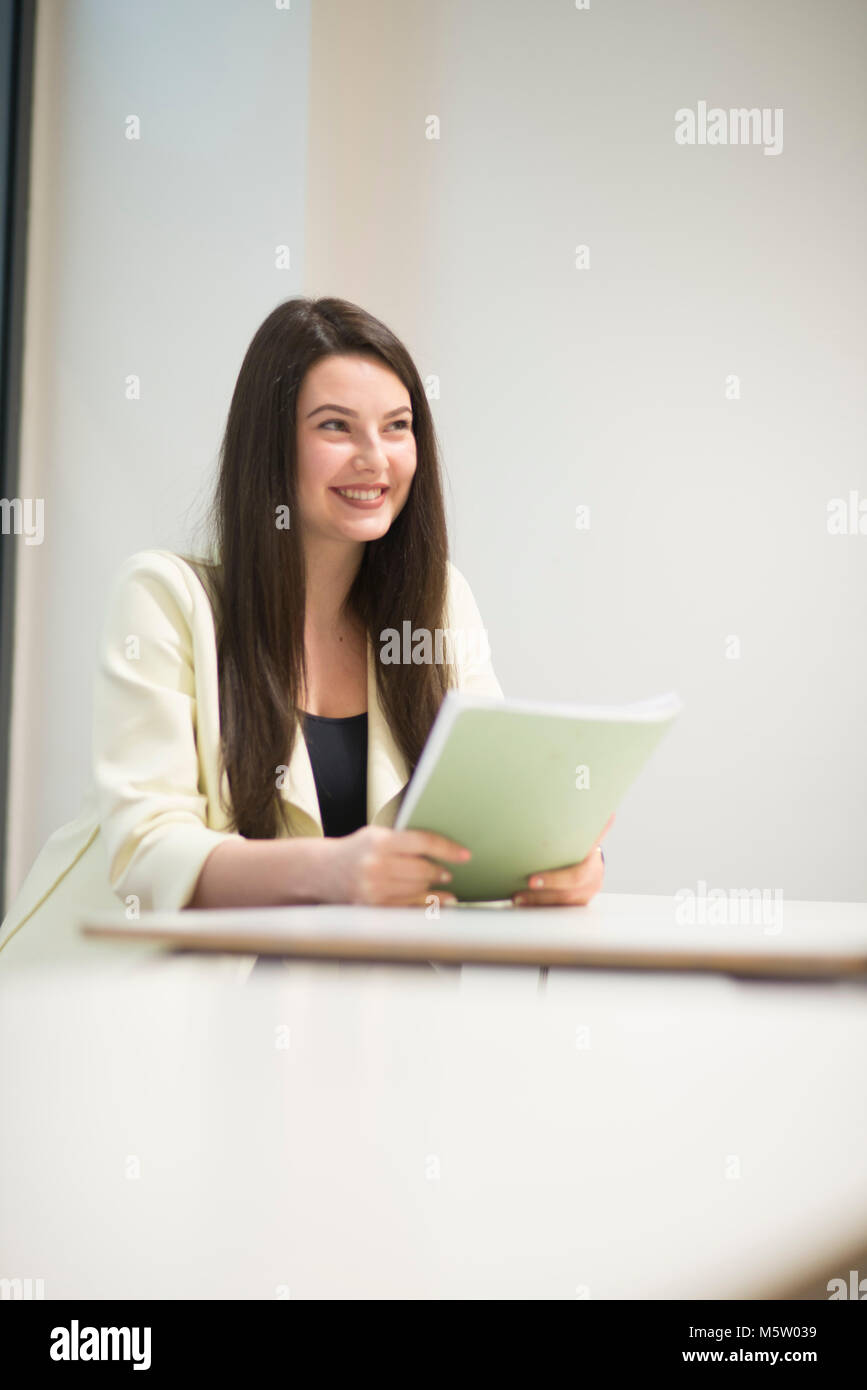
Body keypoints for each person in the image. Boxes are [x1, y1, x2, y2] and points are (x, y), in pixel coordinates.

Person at [0, 297, 606, 968]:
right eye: (335, 427)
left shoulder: (436, 603)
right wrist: (334, 871)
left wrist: (560, 865)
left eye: (397, 426)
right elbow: (148, 856)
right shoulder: (166, 598)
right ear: (272, 447)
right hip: (128, 1013)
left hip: (354, 1014)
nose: (374, 458)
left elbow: (495, 805)